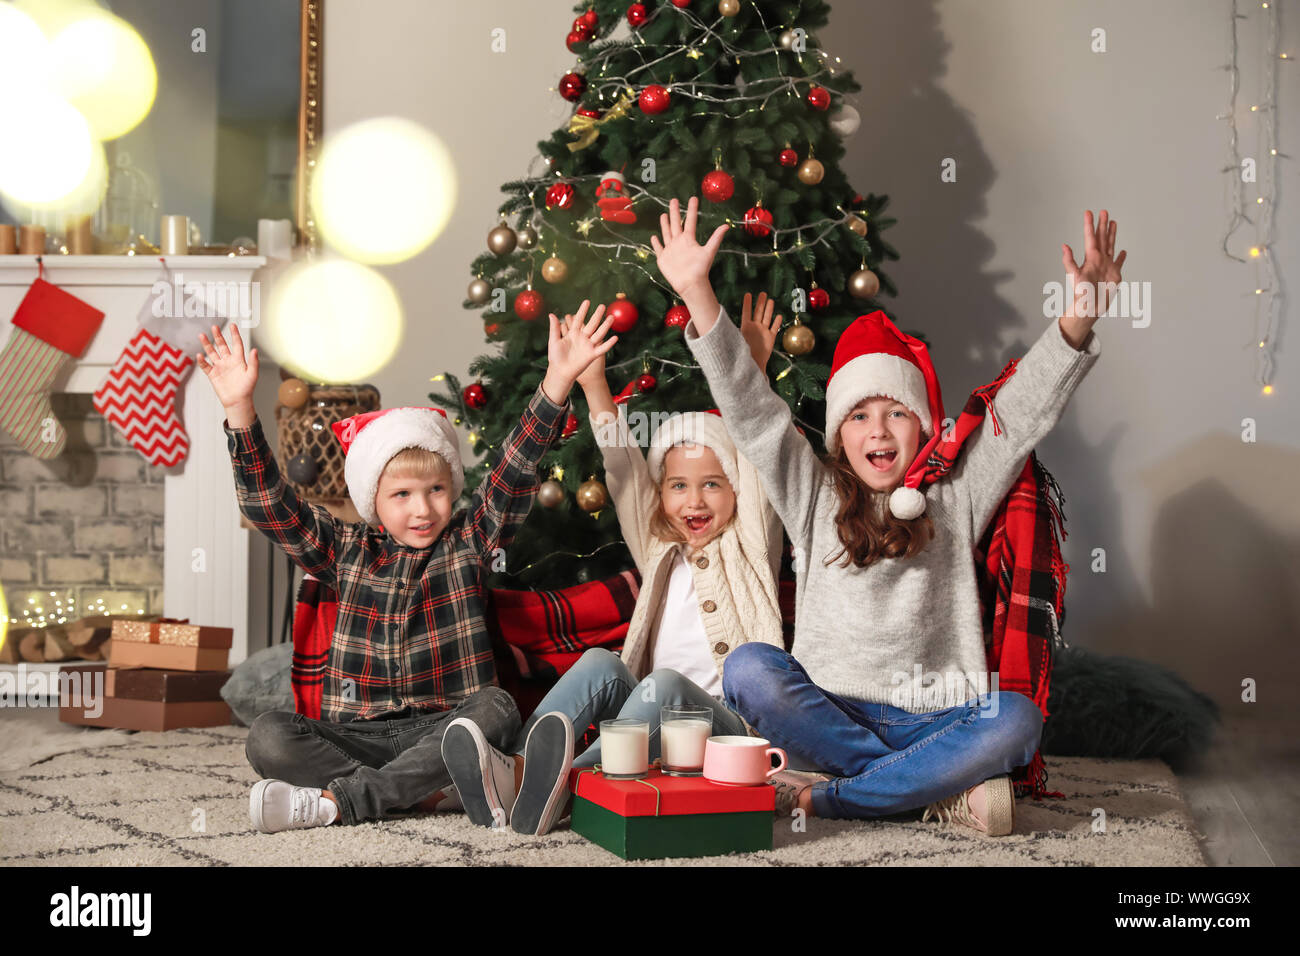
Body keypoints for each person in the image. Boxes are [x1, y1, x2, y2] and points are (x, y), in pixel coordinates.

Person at [651, 197, 1123, 836]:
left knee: (1017, 720)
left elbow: (1018, 417)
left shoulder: (956, 493)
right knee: (750, 669)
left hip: (935, 716)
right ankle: (932, 793)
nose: (878, 429)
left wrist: (1078, 317)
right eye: (859, 415)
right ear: (838, 435)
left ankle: (835, 798)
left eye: (896, 413)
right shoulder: (811, 491)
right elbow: (752, 411)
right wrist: (697, 294)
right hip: (828, 711)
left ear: (923, 427)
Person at [194, 307, 616, 832]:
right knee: (269, 736)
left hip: (449, 726)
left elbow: (513, 472)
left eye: (435, 491)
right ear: (374, 499)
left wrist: (556, 383)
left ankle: (347, 800)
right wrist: (240, 409)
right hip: (360, 734)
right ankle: (429, 790)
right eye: (402, 495)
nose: (423, 509)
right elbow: (270, 507)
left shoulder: (469, 541)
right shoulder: (343, 548)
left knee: (498, 708)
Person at [442, 297, 788, 836]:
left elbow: (757, 455)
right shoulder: (659, 547)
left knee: (664, 683)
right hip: (653, 726)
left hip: (728, 731)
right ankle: (520, 767)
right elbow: (624, 468)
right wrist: (594, 385)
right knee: (602, 663)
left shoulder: (748, 542)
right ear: (662, 495)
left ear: (736, 492)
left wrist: (753, 370)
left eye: (711, 484)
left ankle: (567, 782)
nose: (693, 500)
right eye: (678, 486)